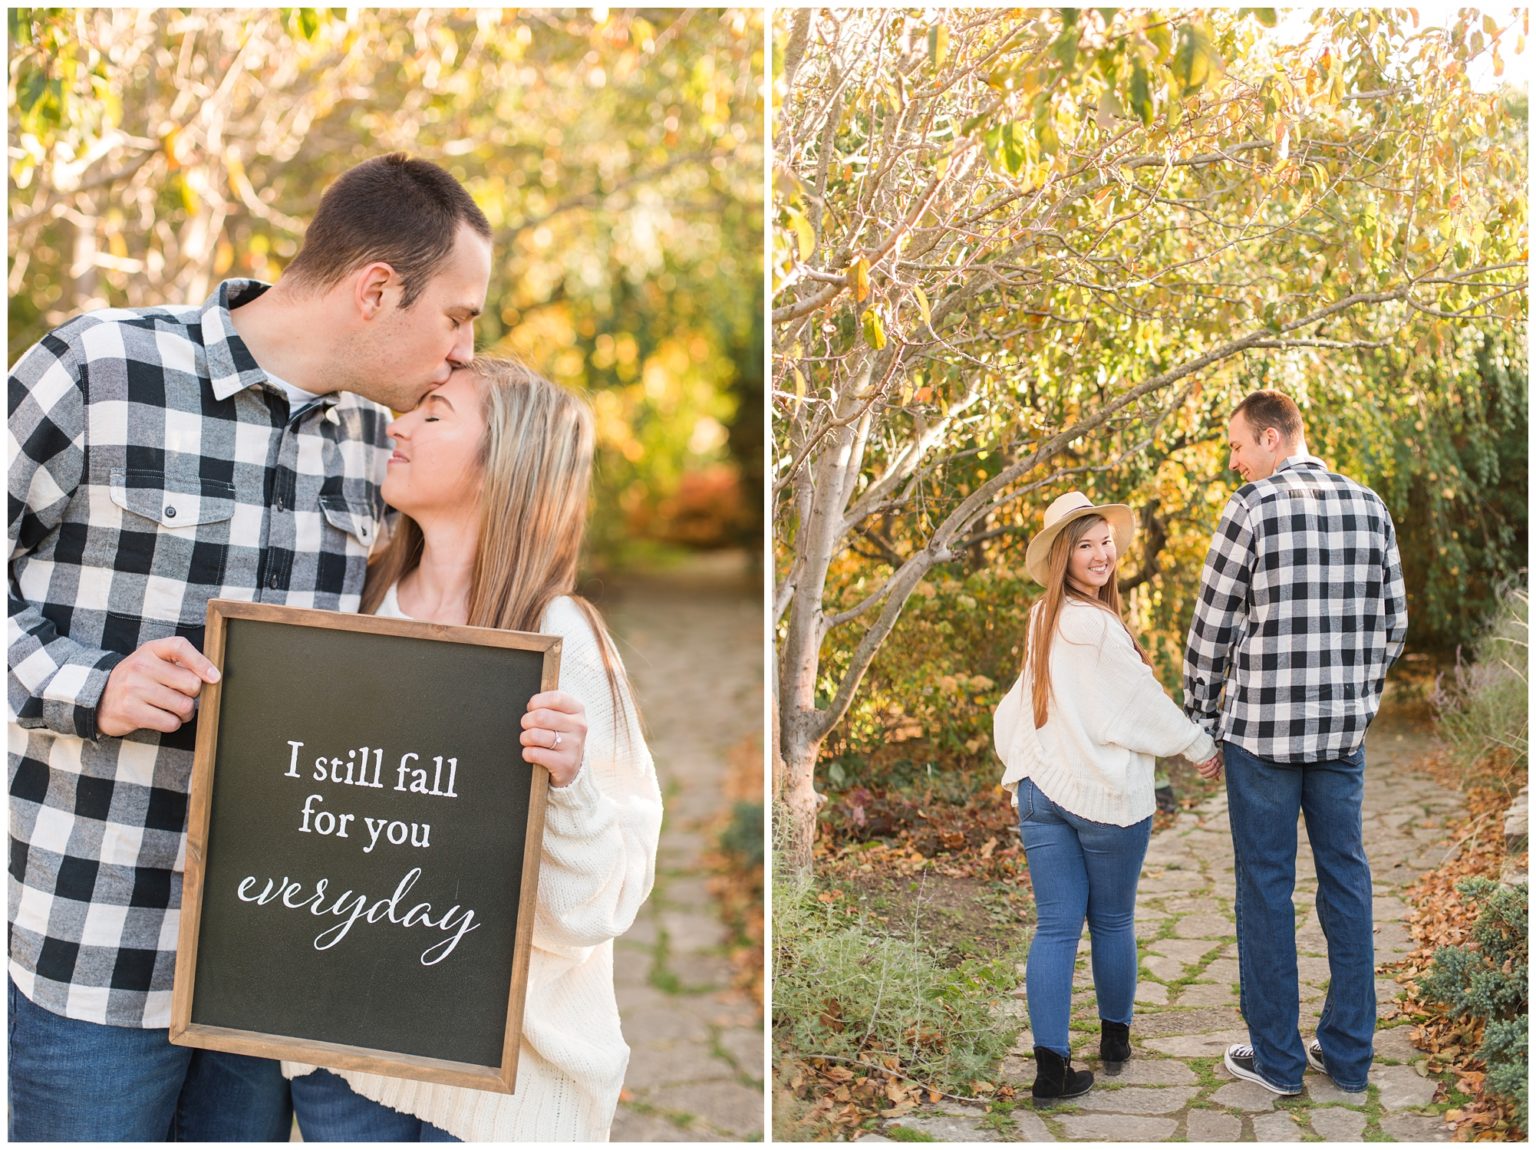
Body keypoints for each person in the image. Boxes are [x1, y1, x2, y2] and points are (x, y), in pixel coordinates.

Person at [7, 153, 497, 1140]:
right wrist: (88, 685)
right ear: (376, 291)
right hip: (95, 946)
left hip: (273, 970)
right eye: (458, 317)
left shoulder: (380, 449)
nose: (461, 351)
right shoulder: (98, 370)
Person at [282, 357, 663, 1142]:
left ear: (502, 465)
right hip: (344, 1051)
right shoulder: (355, 605)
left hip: (502, 1078)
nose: (399, 426)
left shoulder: (560, 637)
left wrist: (572, 786)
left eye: (435, 414)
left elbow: (598, 909)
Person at [1184, 389, 1407, 1097]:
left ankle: (1278, 1062)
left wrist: (1200, 716)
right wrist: (1358, 698)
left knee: (1265, 889)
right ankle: (1348, 1057)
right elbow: (1395, 623)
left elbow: (1212, 629)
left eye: (1237, 445)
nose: (1234, 460)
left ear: (1272, 437)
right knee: (1346, 882)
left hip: (1261, 739)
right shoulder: (1369, 506)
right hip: (1341, 735)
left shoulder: (1250, 508)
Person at [994, 492, 1220, 1105]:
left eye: (1105, 542)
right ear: (1062, 557)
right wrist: (1199, 746)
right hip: (1100, 798)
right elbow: (1139, 704)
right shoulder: (1095, 627)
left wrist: (1028, 757)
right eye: (1085, 546)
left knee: (1056, 927)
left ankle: (1051, 1071)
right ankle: (1114, 1044)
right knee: (1113, 920)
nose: (1101, 554)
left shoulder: (1043, 618)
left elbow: (1017, 704)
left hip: (1041, 790)